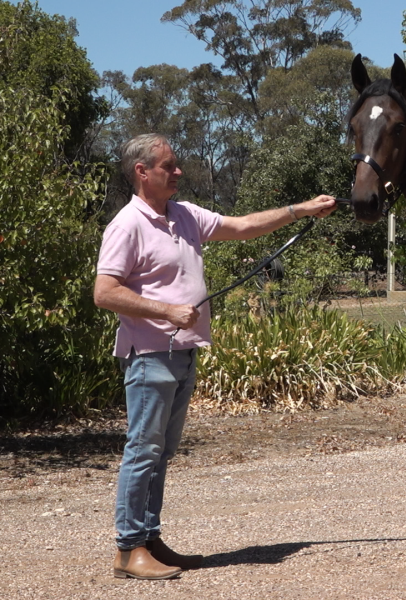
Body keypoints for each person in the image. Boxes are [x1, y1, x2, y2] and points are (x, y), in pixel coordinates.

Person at [94, 133, 336, 579]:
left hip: (182, 354)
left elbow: (243, 226)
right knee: (142, 451)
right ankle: (128, 551)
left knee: (160, 453)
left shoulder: (184, 215)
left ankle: (150, 539)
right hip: (148, 356)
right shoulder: (126, 224)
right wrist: (166, 310)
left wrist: (302, 209)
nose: (178, 172)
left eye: (177, 164)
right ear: (142, 172)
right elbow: (104, 292)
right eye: (168, 166)